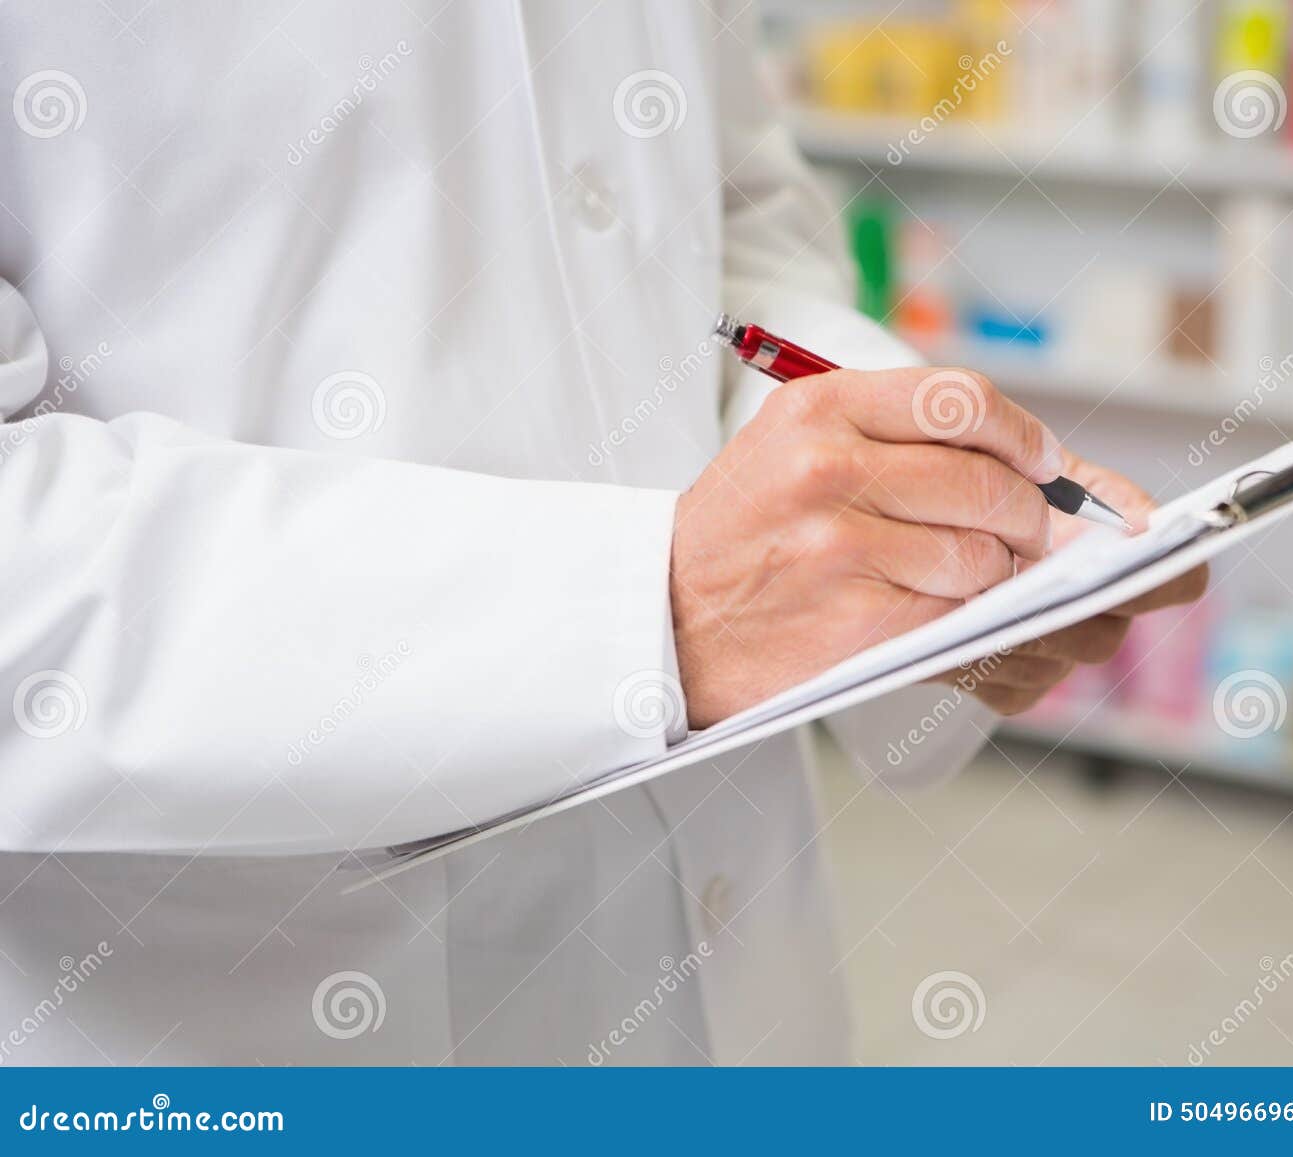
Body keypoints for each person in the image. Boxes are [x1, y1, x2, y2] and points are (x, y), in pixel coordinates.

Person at [0, 0, 1203, 1064]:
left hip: (728, 978)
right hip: (232, 1022)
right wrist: (655, 610)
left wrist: (906, 533)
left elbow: (727, 237)